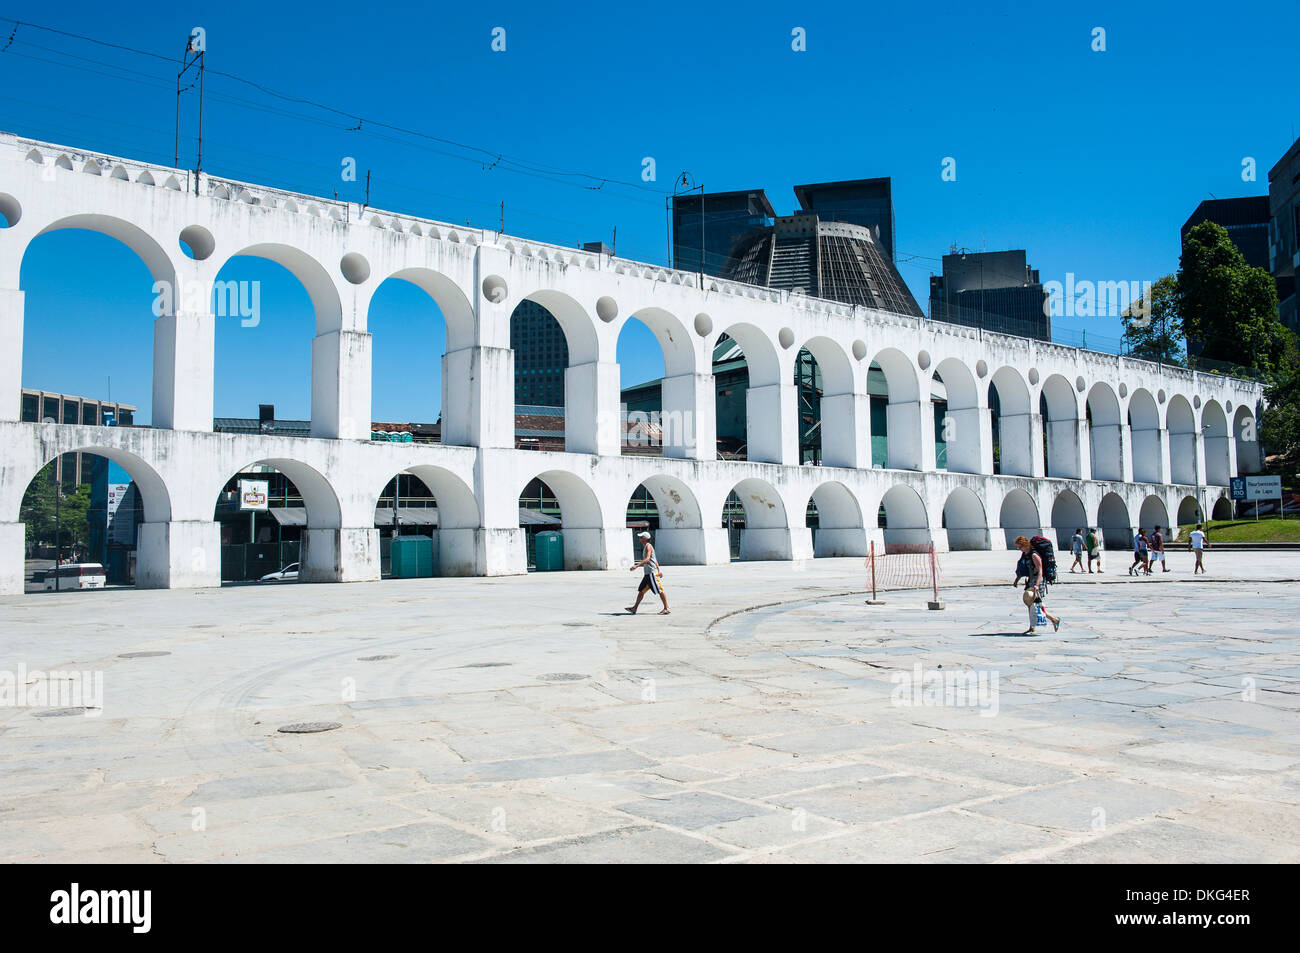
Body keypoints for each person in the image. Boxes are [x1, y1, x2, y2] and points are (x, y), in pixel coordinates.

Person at [1013, 535, 1060, 635]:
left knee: (1035, 605)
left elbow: (1040, 571)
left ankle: (1053, 620)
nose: (1019, 549)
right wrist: (1017, 579)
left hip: (1038, 581)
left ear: (1025, 545)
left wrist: (1037, 585)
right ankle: (1034, 626)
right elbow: (1022, 568)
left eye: (1020, 547)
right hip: (1031, 580)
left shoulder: (1034, 555)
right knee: (1031, 605)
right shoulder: (1026, 554)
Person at [626, 531, 669, 615]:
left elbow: (648, 559)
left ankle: (666, 608)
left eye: (641, 537)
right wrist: (659, 570)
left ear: (645, 539)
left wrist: (636, 566)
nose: (639, 539)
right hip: (647, 574)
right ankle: (634, 608)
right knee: (641, 591)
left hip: (651, 573)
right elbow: (655, 559)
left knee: (660, 590)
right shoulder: (646, 546)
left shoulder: (648, 546)